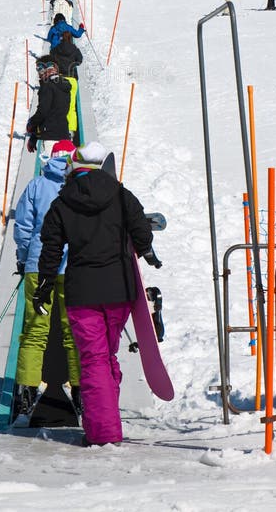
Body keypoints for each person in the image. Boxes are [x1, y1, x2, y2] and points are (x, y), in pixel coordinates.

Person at [35, 141, 162, 447]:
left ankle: (103, 432)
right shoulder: (121, 195)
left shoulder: (62, 203)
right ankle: (105, 418)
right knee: (106, 356)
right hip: (120, 290)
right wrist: (147, 253)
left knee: (93, 360)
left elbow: (51, 249)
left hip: (82, 292)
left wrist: (44, 287)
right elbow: (141, 229)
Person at [13, 140, 81, 420]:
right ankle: (80, 391)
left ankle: (27, 391)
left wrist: (24, 257)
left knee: (34, 329)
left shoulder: (36, 185)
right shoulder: (77, 186)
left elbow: (23, 226)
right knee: (74, 330)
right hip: (73, 266)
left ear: (49, 157)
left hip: (38, 266)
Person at [26, 58, 71, 157]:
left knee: (53, 167)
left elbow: (43, 112)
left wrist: (31, 124)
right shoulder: (64, 85)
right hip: (63, 132)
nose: (39, 74)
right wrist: (35, 135)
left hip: (51, 136)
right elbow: (53, 111)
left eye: (40, 69)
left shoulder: (47, 86)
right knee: (63, 168)